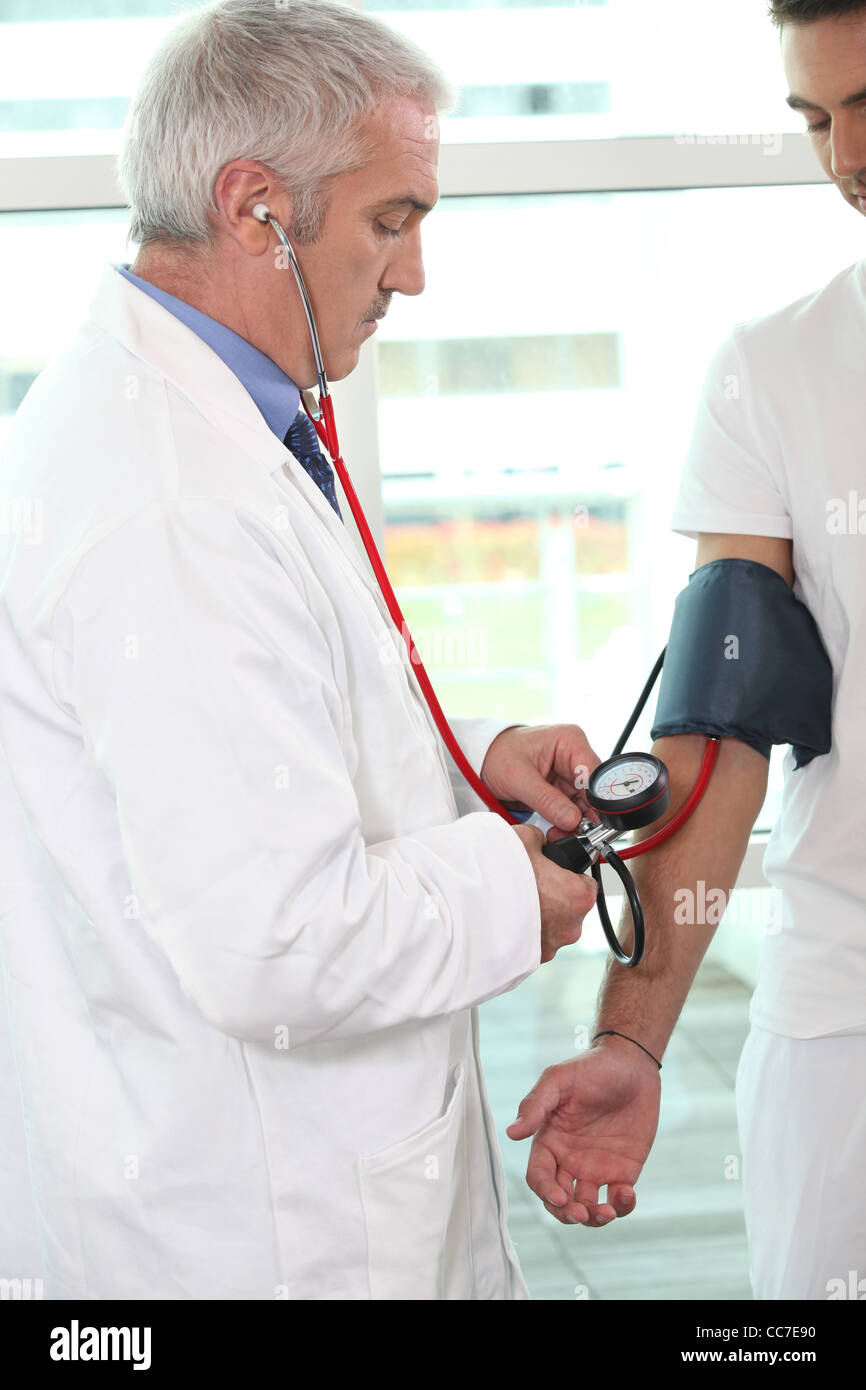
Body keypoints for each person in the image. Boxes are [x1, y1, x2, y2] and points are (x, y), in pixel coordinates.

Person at [0, 0, 601, 1301]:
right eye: (394, 219)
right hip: (262, 1233)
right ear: (253, 204)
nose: (414, 273)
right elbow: (275, 940)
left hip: (268, 1182)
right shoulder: (166, 495)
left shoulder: (204, 420)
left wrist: (469, 762)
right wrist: (520, 885)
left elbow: (268, 750)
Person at [508, 0, 866, 1301]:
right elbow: (717, 726)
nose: (842, 158)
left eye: (864, 107)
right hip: (847, 1026)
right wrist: (635, 1039)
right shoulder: (772, 371)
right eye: (814, 119)